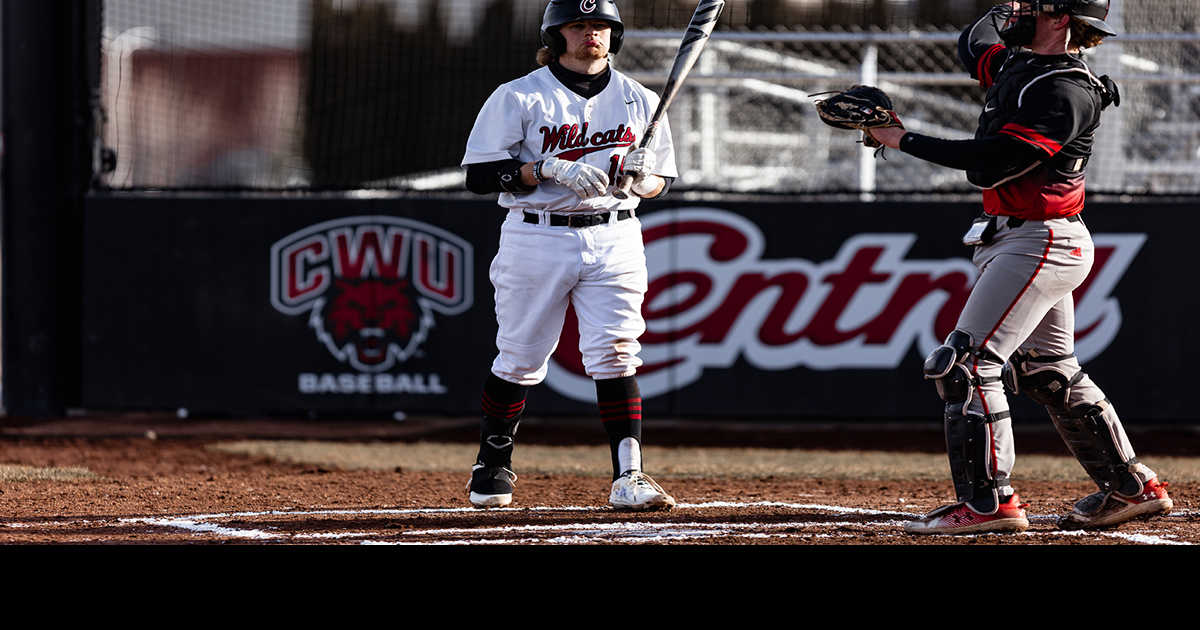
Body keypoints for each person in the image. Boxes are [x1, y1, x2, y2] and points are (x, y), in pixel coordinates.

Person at [868, 0, 1173, 534]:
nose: (1020, 13)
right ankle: (1130, 487)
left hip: (1040, 240)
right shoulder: (1020, 63)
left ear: (1062, 19)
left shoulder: (1066, 89)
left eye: (1035, 5)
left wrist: (901, 139)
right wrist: (1001, 8)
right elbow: (972, 45)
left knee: (966, 365)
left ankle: (989, 503)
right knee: (1046, 370)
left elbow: (996, 161)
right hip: (1023, 237)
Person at [459, 0, 679, 510]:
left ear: (614, 35)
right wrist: (545, 169)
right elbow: (479, 176)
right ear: (555, 35)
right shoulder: (518, 95)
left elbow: (662, 182)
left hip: (616, 233)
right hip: (538, 234)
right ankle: (492, 463)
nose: (590, 34)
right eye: (578, 26)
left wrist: (642, 178)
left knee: (616, 353)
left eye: (600, 25)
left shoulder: (641, 99)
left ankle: (629, 476)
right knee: (520, 357)